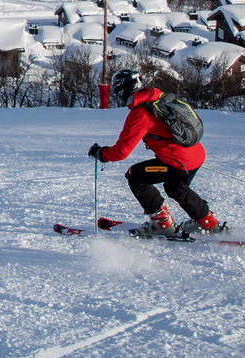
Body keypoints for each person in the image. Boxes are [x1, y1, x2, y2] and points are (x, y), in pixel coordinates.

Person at [87, 68, 227, 238]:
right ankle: (208, 223)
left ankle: (162, 224)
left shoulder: (140, 113)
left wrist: (101, 153)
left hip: (179, 162)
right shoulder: (159, 97)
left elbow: (121, 152)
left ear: (122, 91)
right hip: (195, 155)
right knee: (176, 187)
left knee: (135, 176)